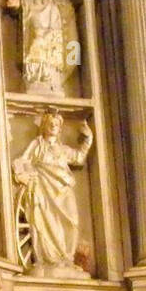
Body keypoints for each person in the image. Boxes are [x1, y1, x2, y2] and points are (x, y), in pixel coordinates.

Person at [11, 111, 94, 276]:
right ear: (44, 126)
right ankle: (50, 259)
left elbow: (78, 158)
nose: (53, 127)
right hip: (43, 188)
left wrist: (87, 140)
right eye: (50, 124)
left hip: (63, 189)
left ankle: (67, 258)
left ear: (60, 128)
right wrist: (23, 174)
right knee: (45, 221)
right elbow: (21, 161)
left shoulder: (62, 149)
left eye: (56, 124)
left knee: (72, 221)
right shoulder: (37, 145)